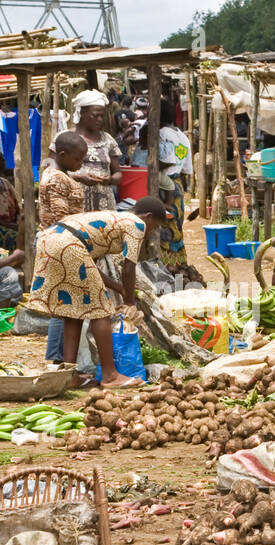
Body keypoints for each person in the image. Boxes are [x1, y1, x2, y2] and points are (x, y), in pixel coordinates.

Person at [29, 197, 168, 388]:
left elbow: (91, 266)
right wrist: (128, 303)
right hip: (67, 245)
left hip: (49, 240)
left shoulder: (114, 219)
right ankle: (110, 375)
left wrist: (119, 288)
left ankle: (69, 375)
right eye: (154, 227)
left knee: (73, 309)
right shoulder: (136, 223)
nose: (150, 232)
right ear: (148, 217)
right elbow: (129, 268)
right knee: (101, 308)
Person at [69, 89, 121, 212]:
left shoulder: (108, 140)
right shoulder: (65, 138)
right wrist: (77, 177)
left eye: (102, 116)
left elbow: (118, 173)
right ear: (81, 113)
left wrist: (110, 180)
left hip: (104, 204)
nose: (100, 119)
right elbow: (51, 169)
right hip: (75, 203)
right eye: (95, 115)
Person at [155, 98, 192, 271]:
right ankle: (179, 263)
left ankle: (167, 266)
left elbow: (166, 160)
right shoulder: (183, 137)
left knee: (164, 227)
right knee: (176, 225)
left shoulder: (161, 134)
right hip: (177, 185)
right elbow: (186, 169)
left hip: (164, 186)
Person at [40, 132, 86, 229]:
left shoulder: (58, 174)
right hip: (60, 237)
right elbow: (61, 218)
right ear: (63, 155)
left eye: (82, 159)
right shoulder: (57, 179)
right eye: (77, 159)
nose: (81, 163)